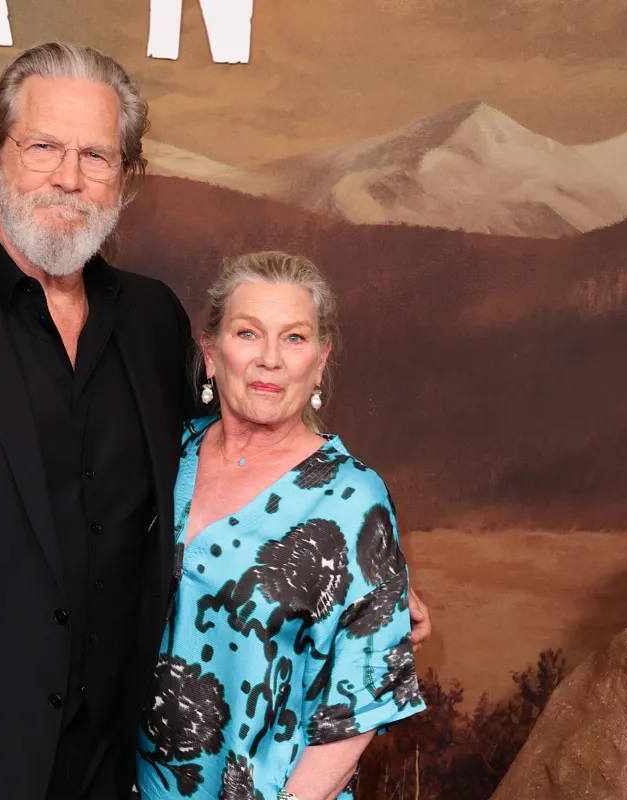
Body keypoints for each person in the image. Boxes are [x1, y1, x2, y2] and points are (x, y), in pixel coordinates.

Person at [0, 42, 433, 800]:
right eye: (44, 147)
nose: (69, 176)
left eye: (97, 156)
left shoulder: (153, 321)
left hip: (119, 768)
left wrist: (368, 591)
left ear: (125, 181)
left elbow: (237, 464)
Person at [135, 251, 425, 800]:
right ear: (210, 352)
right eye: (248, 333)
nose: (269, 359)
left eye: (293, 338)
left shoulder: (352, 498)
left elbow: (358, 702)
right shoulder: (164, 454)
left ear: (319, 362)